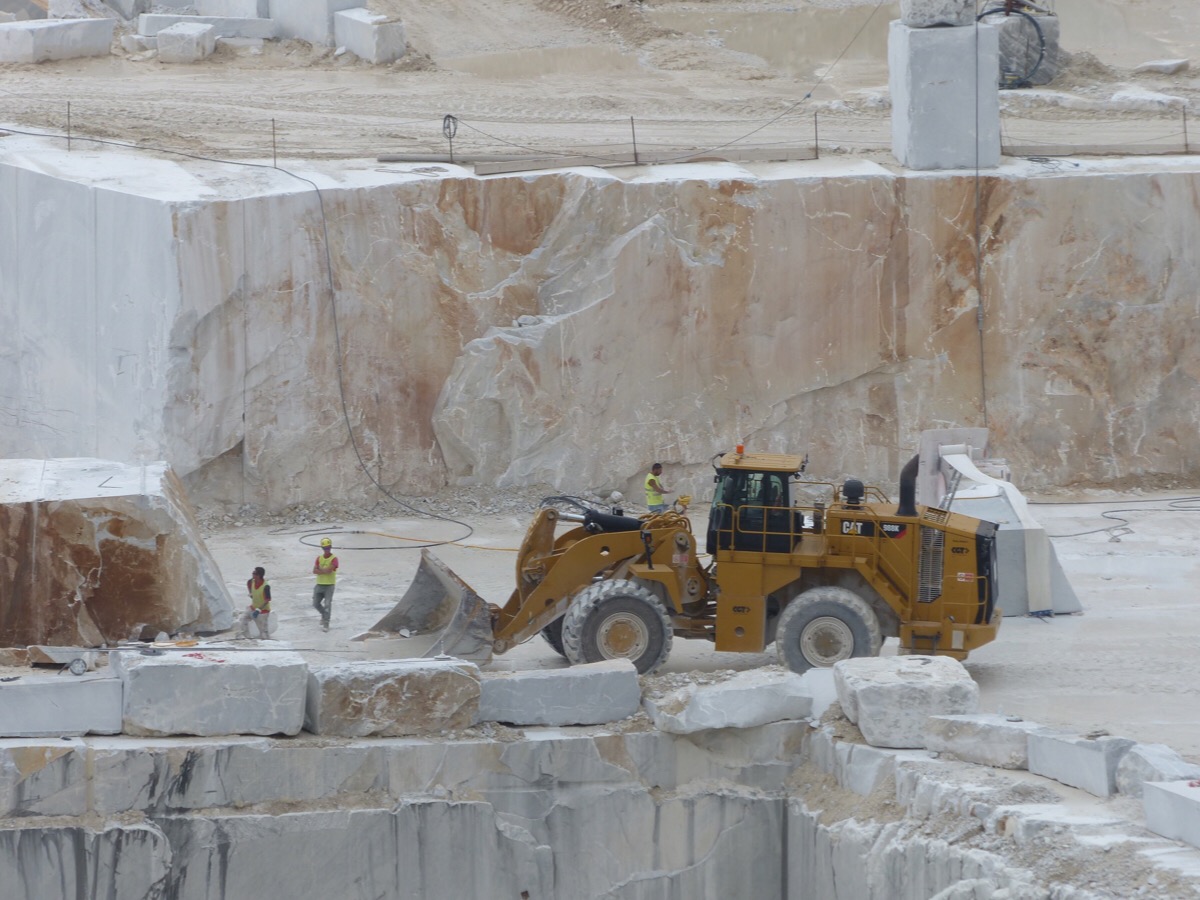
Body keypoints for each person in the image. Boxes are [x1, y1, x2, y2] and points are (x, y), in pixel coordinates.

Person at [312, 537, 339, 632]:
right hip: (319, 584)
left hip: (329, 585)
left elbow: (329, 571)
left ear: (330, 547)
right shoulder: (319, 558)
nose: (326, 550)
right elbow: (314, 571)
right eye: (324, 548)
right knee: (315, 603)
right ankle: (324, 615)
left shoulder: (334, 559)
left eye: (328, 548)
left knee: (327, 604)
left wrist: (320, 569)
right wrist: (324, 570)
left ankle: (326, 622)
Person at [238, 566, 272, 639]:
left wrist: (258, 610)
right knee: (243, 619)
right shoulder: (251, 582)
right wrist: (251, 593)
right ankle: (247, 638)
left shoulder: (266, 586)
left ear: (258, 575)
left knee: (263, 631)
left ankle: (266, 642)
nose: (252, 574)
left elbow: (267, 600)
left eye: (254, 573)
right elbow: (248, 583)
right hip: (252, 608)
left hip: (263, 612)